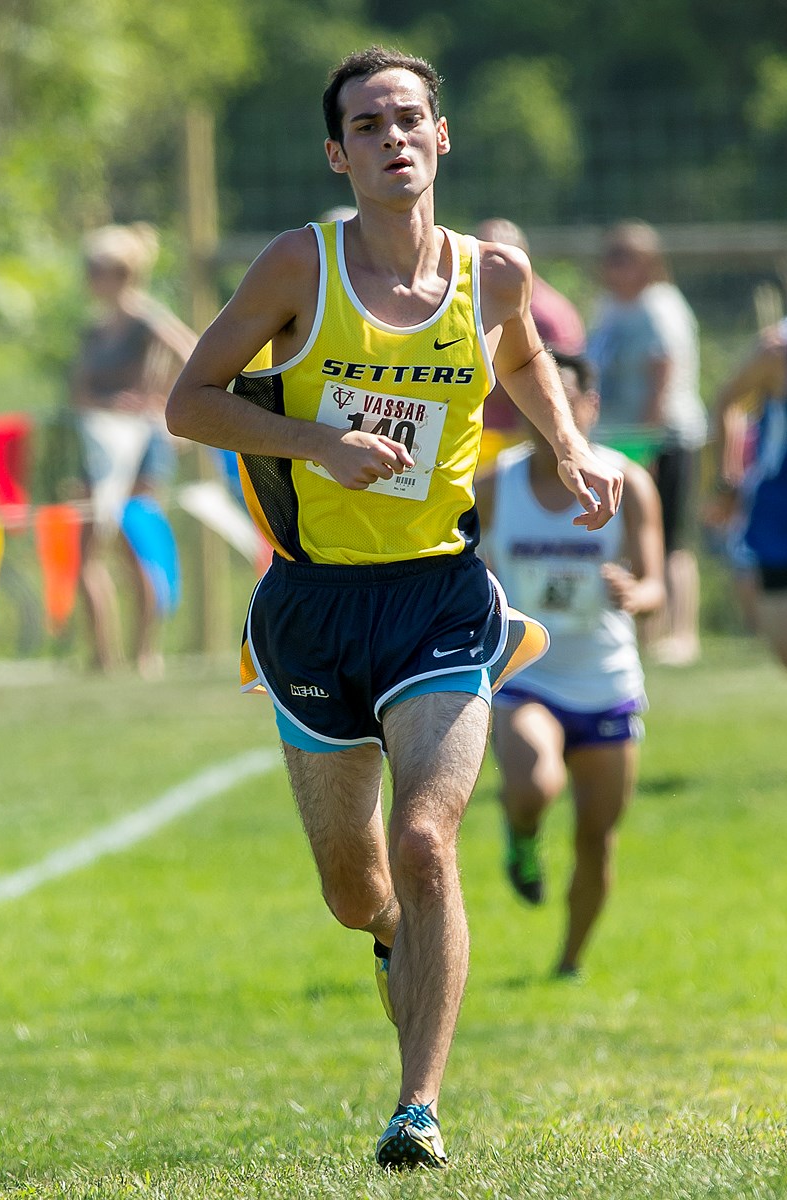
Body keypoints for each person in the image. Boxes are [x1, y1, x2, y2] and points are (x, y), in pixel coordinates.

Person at [166, 46, 623, 1170]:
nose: (392, 139)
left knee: (425, 841)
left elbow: (523, 359)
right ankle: (387, 940)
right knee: (356, 887)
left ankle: (416, 1108)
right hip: (314, 605)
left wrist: (565, 448)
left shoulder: (492, 277)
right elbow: (189, 403)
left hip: (440, 598)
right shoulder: (296, 269)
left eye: (408, 118)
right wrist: (316, 441)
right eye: (366, 126)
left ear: (442, 136)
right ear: (339, 153)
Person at [478, 353, 665, 976]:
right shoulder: (493, 486)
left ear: (590, 407)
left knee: (596, 835)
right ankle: (522, 836)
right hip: (528, 673)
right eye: (536, 395)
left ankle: (568, 963)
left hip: (606, 681)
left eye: (564, 396)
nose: (549, 411)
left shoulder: (627, 482)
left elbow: (655, 584)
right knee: (534, 784)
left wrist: (634, 593)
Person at [71, 223, 196, 676]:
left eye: (99, 268)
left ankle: (145, 652)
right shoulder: (93, 329)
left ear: (123, 273)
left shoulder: (148, 319)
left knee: (134, 546)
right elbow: (80, 393)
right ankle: (103, 653)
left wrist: (166, 408)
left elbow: (196, 356)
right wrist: (107, 403)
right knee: (85, 550)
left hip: (140, 445)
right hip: (98, 444)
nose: (91, 277)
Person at [587, 220, 707, 666]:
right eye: (610, 255)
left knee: (671, 537)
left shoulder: (659, 307)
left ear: (647, 262)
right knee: (632, 537)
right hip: (618, 439)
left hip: (662, 439)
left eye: (625, 257)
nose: (613, 265)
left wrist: (648, 444)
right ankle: (646, 629)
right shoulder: (610, 306)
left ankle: (682, 633)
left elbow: (662, 379)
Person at [474, 218, 585, 463]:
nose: (486, 264)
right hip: (482, 438)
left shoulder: (549, 314)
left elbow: (566, 381)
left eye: (496, 256)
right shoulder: (475, 302)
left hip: (528, 445)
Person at [710, 320, 787, 668]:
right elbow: (728, 400)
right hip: (777, 507)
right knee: (777, 631)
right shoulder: (776, 351)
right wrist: (727, 480)